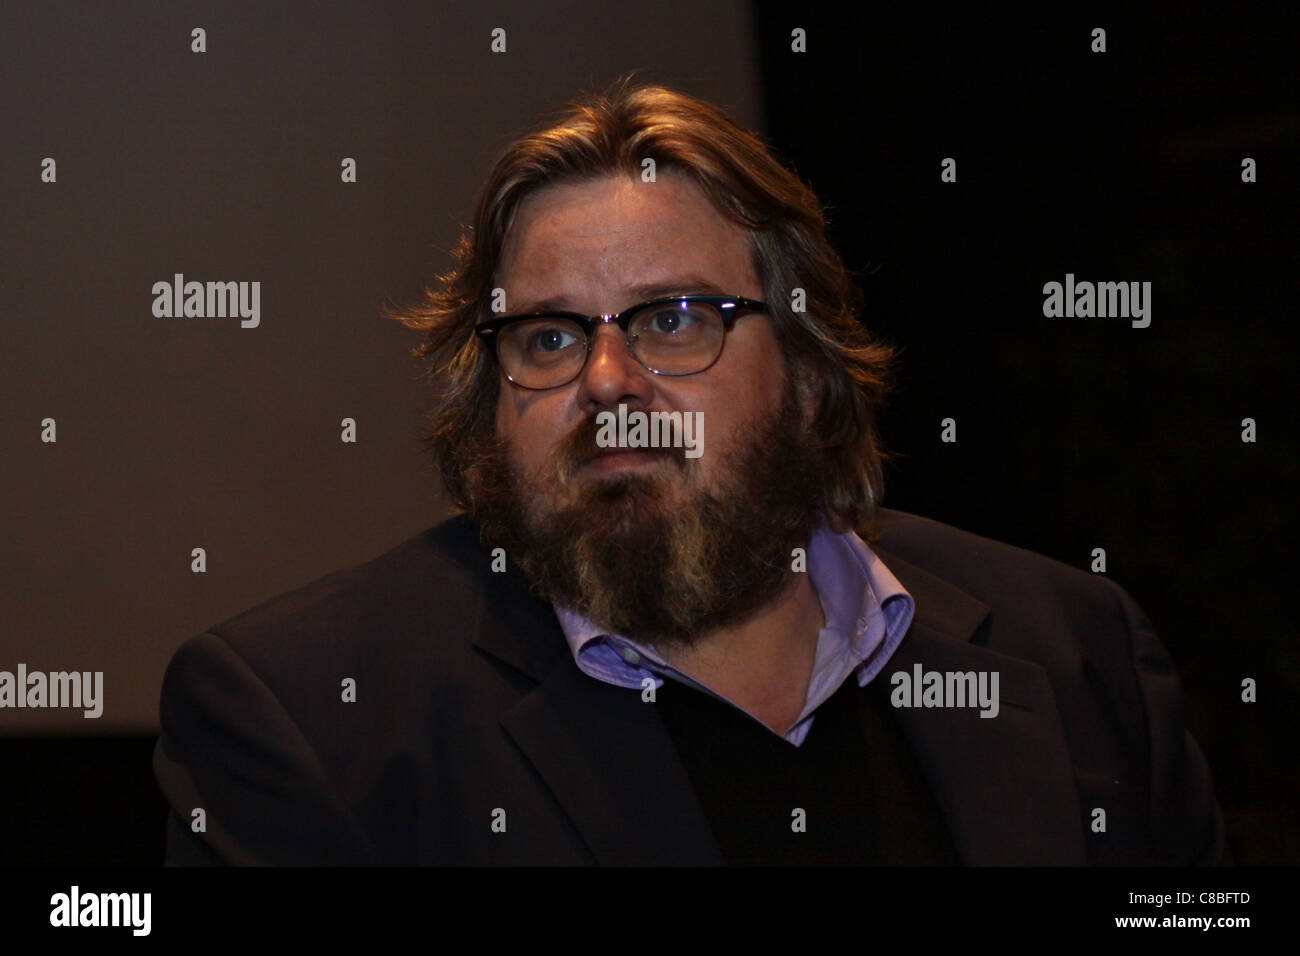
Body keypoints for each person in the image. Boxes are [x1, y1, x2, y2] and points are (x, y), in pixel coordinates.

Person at [153, 78, 1226, 865]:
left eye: (674, 320)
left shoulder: (1078, 652)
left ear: (807, 372)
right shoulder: (308, 719)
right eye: (548, 337)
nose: (607, 381)